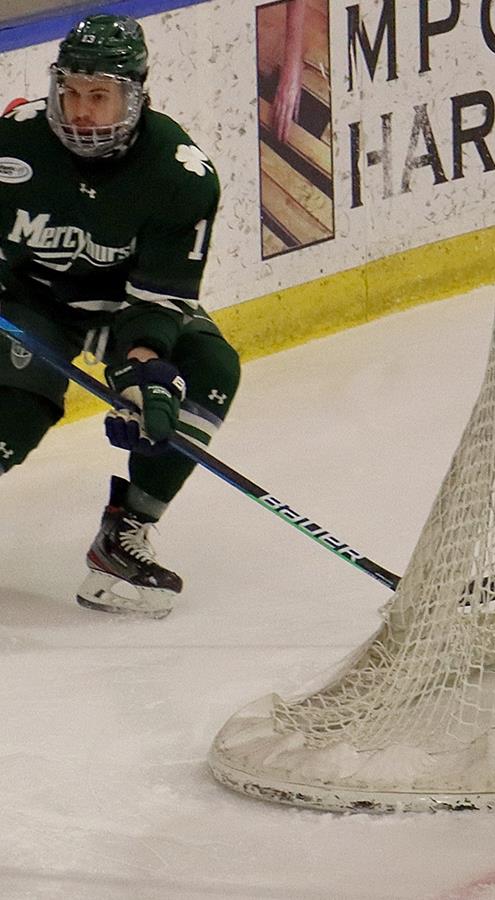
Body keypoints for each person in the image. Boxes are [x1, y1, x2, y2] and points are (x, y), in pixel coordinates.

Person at [0, 14, 236, 619]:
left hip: (117, 308)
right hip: (26, 302)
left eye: (98, 96)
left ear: (133, 97)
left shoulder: (180, 176)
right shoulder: (11, 145)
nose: (79, 110)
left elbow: (158, 298)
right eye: (70, 91)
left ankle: (125, 531)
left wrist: (144, 367)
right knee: (11, 425)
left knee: (207, 368)